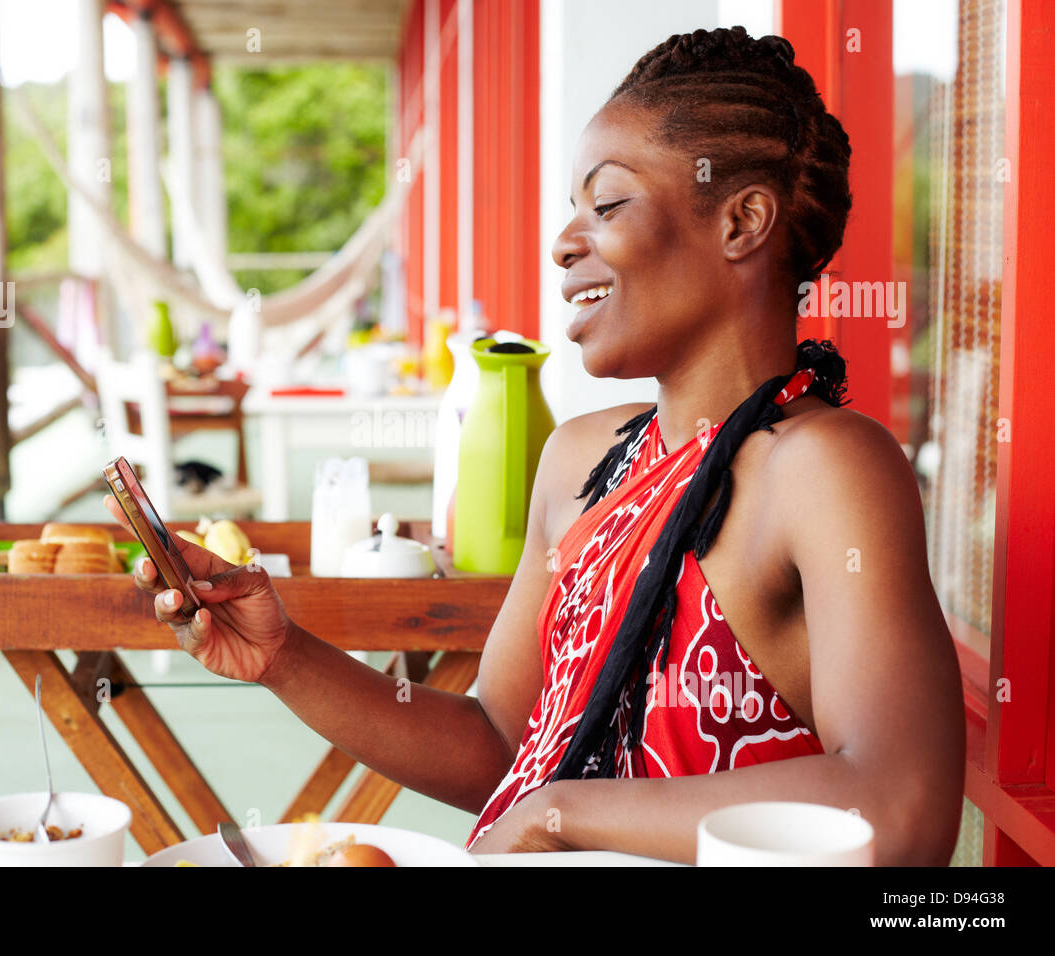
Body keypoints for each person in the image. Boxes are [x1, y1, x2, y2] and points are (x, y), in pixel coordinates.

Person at [106, 26, 964, 864]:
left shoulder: (825, 467)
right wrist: (283, 656)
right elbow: (501, 747)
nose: (563, 242)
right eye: (571, 211)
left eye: (609, 203)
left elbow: (901, 807)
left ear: (741, 222)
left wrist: (560, 815)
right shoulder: (582, 462)